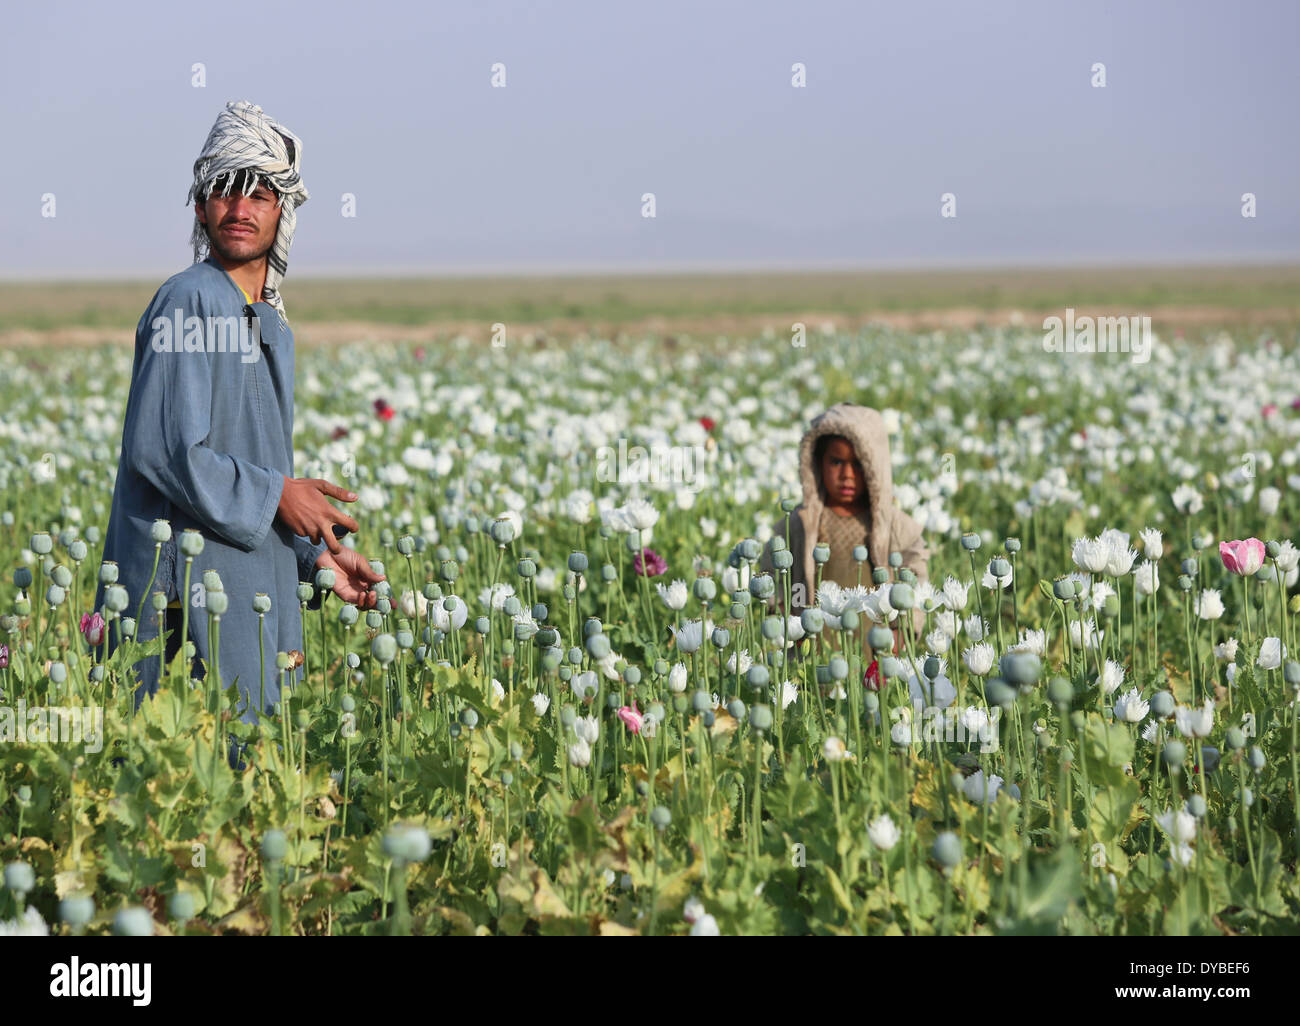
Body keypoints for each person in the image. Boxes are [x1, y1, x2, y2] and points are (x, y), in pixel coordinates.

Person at [97, 100, 383, 736]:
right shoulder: (188, 298)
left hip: (251, 585)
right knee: (178, 778)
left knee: (256, 780)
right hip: (184, 594)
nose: (240, 208)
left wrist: (318, 561)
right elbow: (166, 450)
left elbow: (254, 469)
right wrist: (281, 495)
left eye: (260, 194)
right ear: (201, 207)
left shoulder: (271, 322)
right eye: (224, 192)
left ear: (282, 212)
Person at [760, 401, 930, 664]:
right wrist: (782, 613)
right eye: (836, 462)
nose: (847, 474)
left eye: (859, 464)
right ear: (816, 461)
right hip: (810, 653)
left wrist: (904, 630)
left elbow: (916, 580)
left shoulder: (894, 525)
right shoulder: (800, 523)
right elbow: (770, 574)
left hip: (876, 653)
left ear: (876, 468)